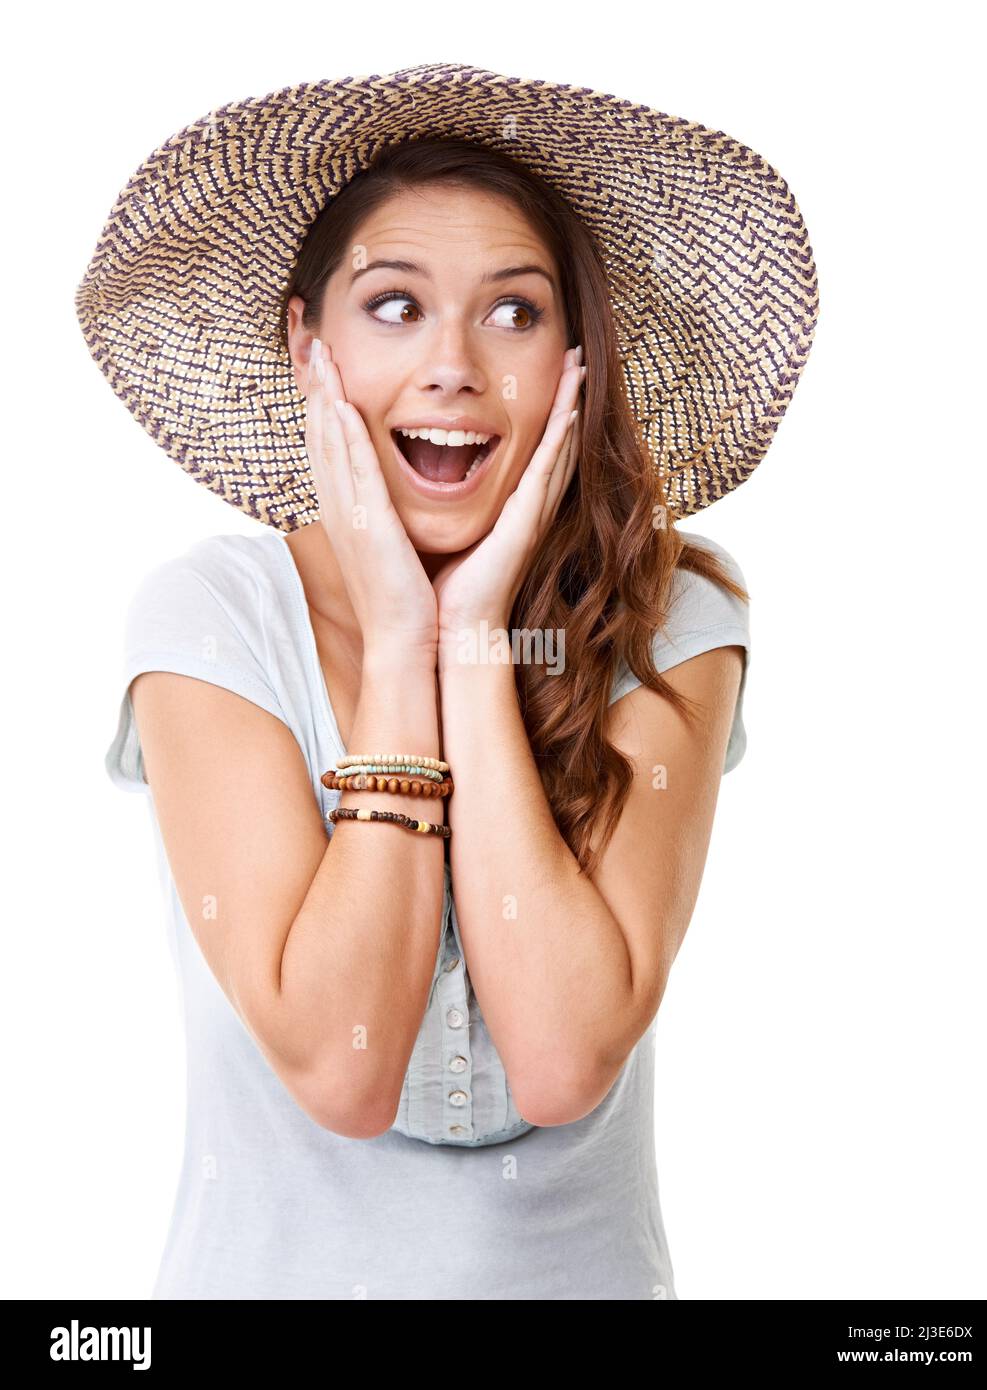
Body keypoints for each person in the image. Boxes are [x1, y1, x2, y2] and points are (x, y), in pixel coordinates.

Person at [79, 64, 818, 1299]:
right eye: (392, 306)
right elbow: (342, 1073)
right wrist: (389, 630)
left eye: (514, 314)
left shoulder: (673, 613)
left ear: (578, 360)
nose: (453, 366)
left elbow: (563, 1057)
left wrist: (466, 636)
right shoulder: (213, 618)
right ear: (305, 345)